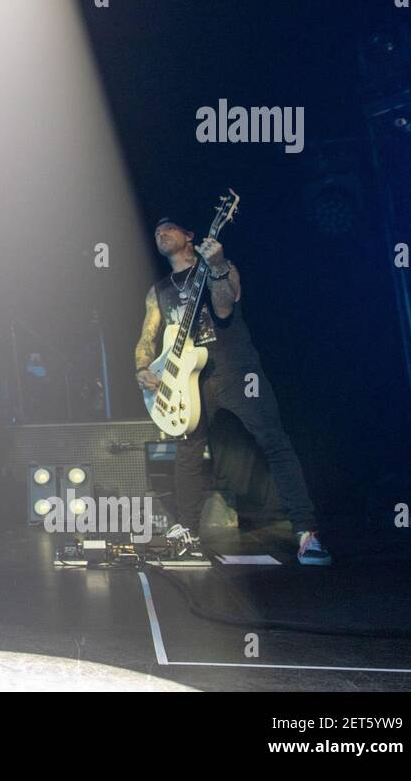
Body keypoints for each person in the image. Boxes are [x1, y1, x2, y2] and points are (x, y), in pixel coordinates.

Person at [134, 218, 330, 565]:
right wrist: (143, 369)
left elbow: (224, 309)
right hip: (190, 380)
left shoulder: (218, 267)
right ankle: (187, 531)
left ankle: (306, 531)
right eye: (156, 231)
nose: (161, 233)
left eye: (169, 228)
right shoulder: (158, 291)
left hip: (235, 370)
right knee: (188, 450)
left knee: (273, 442)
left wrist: (219, 265)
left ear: (189, 236)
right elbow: (148, 338)